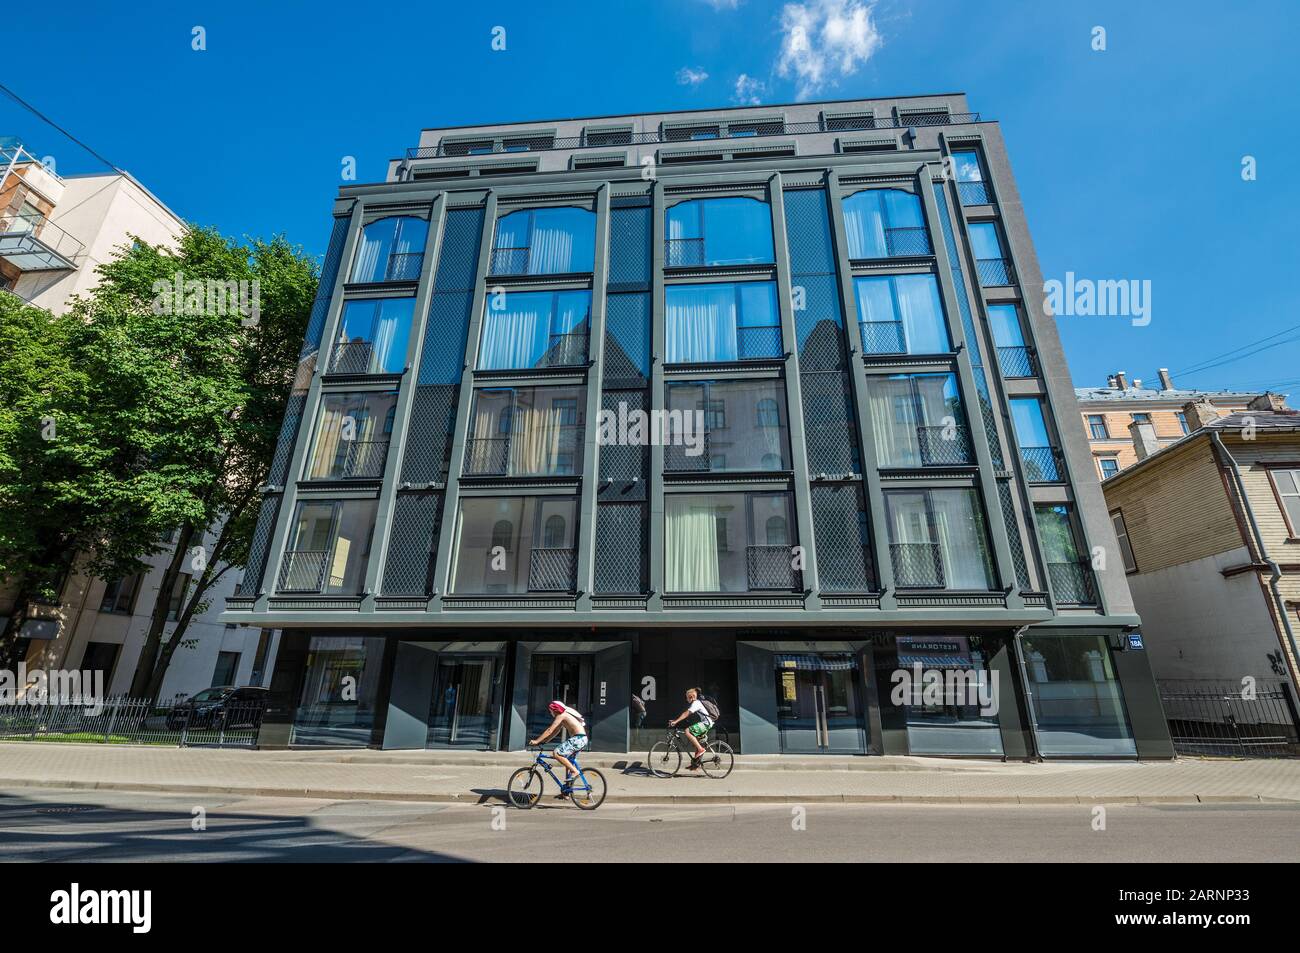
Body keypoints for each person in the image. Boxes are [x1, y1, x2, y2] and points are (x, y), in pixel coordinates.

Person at [528, 700, 588, 795]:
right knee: (567, 762)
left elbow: (549, 730)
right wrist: (545, 741)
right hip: (581, 739)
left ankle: (575, 772)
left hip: (578, 739)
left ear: (555, 709)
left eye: (551, 710)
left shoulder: (561, 715)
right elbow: (555, 732)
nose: (550, 712)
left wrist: (537, 741)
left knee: (556, 753)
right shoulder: (562, 717)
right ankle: (567, 792)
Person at [668, 687, 713, 770]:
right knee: (696, 741)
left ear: (691, 697)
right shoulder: (696, 703)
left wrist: (675, 721)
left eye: (687, 697)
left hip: (706, 724)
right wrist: (676, 720)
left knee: (687, 731)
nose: (686, 699)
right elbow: (687, 715)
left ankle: (700, 749)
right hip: (707, 723)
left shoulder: (696, 703)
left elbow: (686, 714)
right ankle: (695, 764)